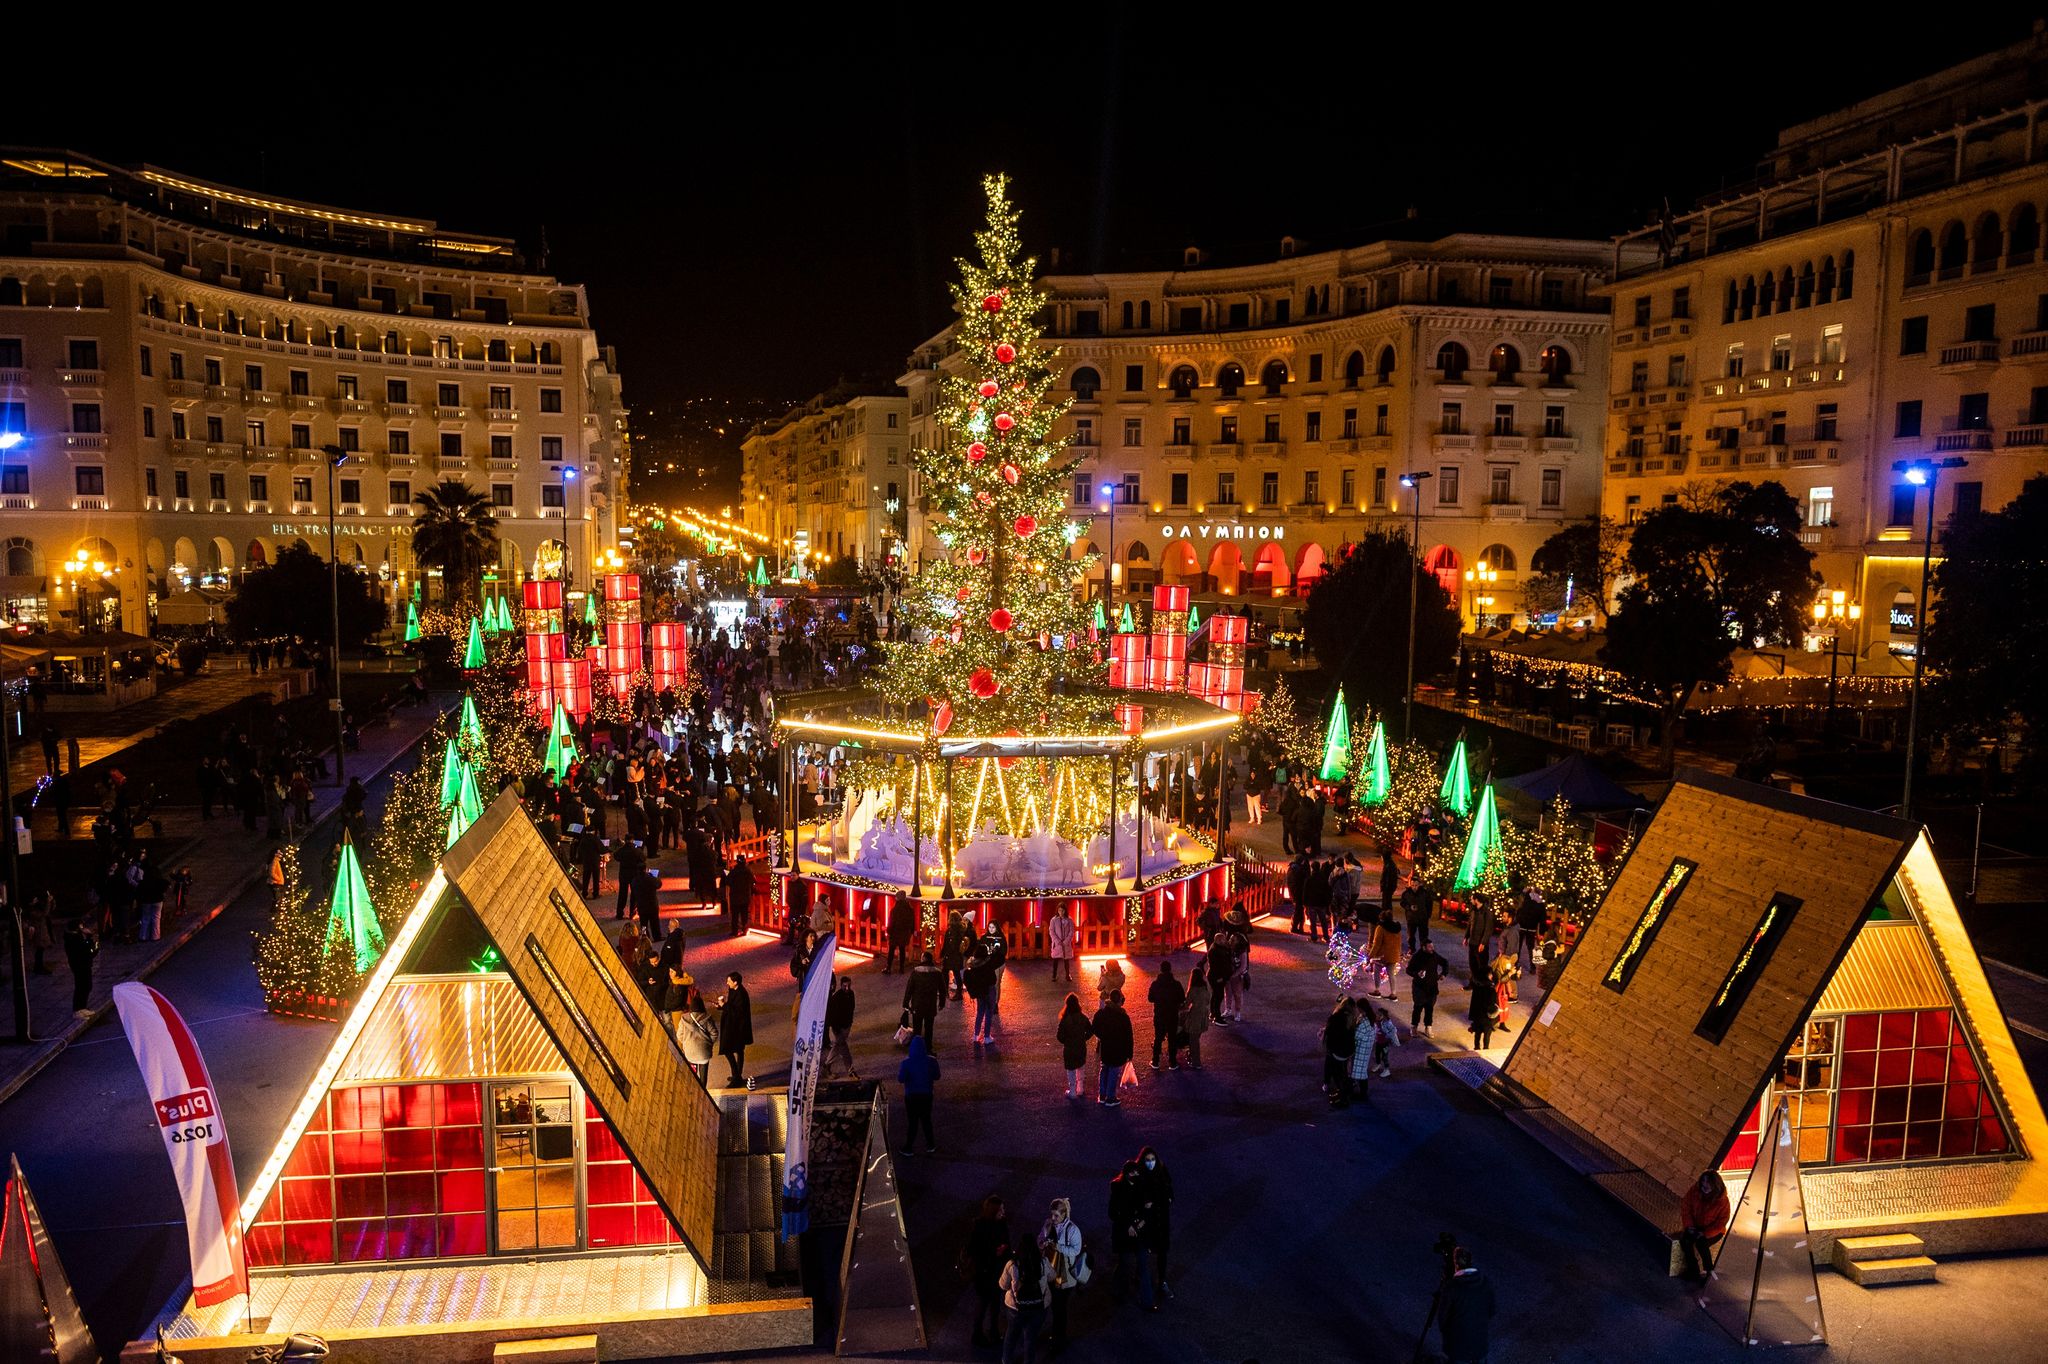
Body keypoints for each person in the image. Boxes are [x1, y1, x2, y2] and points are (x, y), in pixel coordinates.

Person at [964, 1195, 1012, 1348]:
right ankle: (977, 1334)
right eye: (1001, 1210)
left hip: (997, 1271)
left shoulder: (1001, 1223)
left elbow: (1007, 1242)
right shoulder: (979, 1226)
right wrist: (994, 1252)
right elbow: (972, 1250)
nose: (1003, 1212)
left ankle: (993, 1331)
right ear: (993, 1211)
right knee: (984, 1303)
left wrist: (1005, 1251)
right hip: (984, 1273)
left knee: (995, 1304)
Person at [1130, 1146, 1174, 1309]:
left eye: (1152, 1160)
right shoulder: (1140, 1177)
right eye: (1147, 1160)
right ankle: (1138, 1277)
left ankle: (1161, 1281)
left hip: (1161, 1221)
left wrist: (1167, 1200)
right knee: (1143, 1252)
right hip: (1147, 1222)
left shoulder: (1162, 1172)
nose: (1150, 1163)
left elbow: (1169, 1191)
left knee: (1162, 1252)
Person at [998, 1238, 1052, 1364]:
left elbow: (1003, 1285)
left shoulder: (1012, 1265)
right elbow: (1052, 1277)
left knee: (1011, 1335)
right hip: (1039, 1307)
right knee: (1030, 1338)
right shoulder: (1043, 1262)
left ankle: (1007, 1360)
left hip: (1015, 1308)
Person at [1439, 1246, 1496, 1364]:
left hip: (1458, 1349)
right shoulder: (1485, 1282)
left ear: (1456, 1264)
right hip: (1480, 1344)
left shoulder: (1451, 1288)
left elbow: (1443, 1320)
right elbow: (1492, 1310)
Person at [1041, 1198, 1084, 1347]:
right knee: (1053, 1305)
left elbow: (1076, 1250)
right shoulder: (1048, 1224)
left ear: (1064, 1214)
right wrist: (1042, 1243)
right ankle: (1056, 1333)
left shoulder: (1073, 1230)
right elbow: (1040, 1238)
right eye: (1052, 1215)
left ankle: (1059, 1337)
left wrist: (1058, 1247)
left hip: (1065, 1275)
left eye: (1056, 1216)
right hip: (1050, 1272)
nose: (1053, 1219)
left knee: (1060, 1308)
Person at [1677, 1170, 1731, 1281]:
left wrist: (1706, 1233)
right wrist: (1689, 1225)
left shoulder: (1722, 1200)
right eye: (1703, 1181)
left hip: (1713, 1230)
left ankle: (1709, 1272)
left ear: (1715, 1184)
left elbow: (1722, 1222)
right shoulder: (1695, 1191)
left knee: (1701, 1244)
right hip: (1696, 1225)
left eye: (1708, 1182)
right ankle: (1693, 1270)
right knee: (1685, 1241)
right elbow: (1685, 1207)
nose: (1704, 1185)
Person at [1091, 989, 1134, 1107]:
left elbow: (1094, 1027)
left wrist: (1102, 1036)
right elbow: (1129, 1036)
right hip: (1118, 1049)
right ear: (1120, 1001)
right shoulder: (1123, 1017)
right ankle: (1110, 1097)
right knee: (1113, 1072)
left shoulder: (1102, 1013)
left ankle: (1102, 1095)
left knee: (1104, 1069)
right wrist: (1129, 1053)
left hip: (1106, 1048)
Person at [897, 1034, 939, 1154]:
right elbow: (937, 1076)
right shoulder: (931, 1061)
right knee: (926, 1120)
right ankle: (930, 1145)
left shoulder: (906, 1063)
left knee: (912, 1122)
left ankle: (909, 1147)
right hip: (927, 1095)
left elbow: (901, 1079)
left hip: (911, 1096)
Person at [902, 949, 946, 1052]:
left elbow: (909, 989)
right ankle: (928, 1048)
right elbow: (942, 990)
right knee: (929, 1028)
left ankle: (916, 1049)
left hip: (917, 1005)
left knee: (917, 1029)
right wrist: (941, 1003)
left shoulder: (916, 972)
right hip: (930, 1006)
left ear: (923, 959)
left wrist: (905, 1003)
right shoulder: (937, 973)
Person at [1146, 960, 1184, 1072]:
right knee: (1172, 1039)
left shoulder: (1155, 984)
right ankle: (1172, 1062)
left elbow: (1150, 998)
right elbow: (1182, 998)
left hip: (1160, 1015)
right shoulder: (1176, 984)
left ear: (1161, 970)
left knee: (1158, 1038)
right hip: (1172, 1015)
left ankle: (1155, 1061)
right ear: (1170, 969)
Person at [1407, 937, 1448, 1037]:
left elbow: (1445, 962)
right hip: (1419, 987)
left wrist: (1444, 974)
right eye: (1429, 947)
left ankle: (1428, 1027)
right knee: (1418, 1008)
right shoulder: (1417, 957)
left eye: (1432, 946)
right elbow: (1408, 970)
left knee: (1429, 1008)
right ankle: (1414, 1027)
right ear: (1423, 947)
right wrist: (1417, 974)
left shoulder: (1434, 955)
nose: (1432, 949)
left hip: (1432, 987)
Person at [717, 972, 753, 1087]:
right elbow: (732, 1006)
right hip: (733, 1026)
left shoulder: (741, 994)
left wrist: (724, 1005)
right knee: (738, 1051)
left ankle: (736, 1077)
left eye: (729, 981)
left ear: (735, 982)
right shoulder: (733, 990)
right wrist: (722, 1006)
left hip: (738, 1029)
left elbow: (738, 1012)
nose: (727, 983)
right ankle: (737, 1075)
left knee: (731, 1050)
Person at [1056, 992, 1093, 1099]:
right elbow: (1090, 1030)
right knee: (1080, 1067)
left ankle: (1072, 1091)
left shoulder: (1065, 1020)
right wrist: (1083, 1038)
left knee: (1071, 1069)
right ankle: (1080, 1089)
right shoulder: (1083, 1018)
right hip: (1081, 1047)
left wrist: (1067, 1041)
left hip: (1069, 1049)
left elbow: (1059, 1036)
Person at [676, 996, 719, 1085]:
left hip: (690, 1054)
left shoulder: (684, 1019)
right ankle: (703, 1093)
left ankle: (693, 1092)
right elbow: (714, 1034)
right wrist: (709, 1044)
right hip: (704, 1054)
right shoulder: (707, 1018)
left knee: (692, 1077)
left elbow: (679, 1035)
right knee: (703, 1078)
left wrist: (686, 1043)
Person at [1323, 999, 1358, 1106]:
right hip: (1348, 1051)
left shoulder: (1335, 1018)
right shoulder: (1352, 1019)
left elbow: (1329, 1034)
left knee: (1336, 1072)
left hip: (1337, 1051)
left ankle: (1342, 1096)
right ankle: (1343, 1090)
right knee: (1342, 1070)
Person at [823, 975, 857, 1080]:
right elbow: (832, 1015)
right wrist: (836, 1029)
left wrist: (849, 1023)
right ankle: (849, 1069)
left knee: (840, 1046)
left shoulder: (851, 994)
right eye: (845, 986)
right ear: (841, 985)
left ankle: (827, 1066)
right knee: (841, 1047)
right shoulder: (837, 998)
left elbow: (852, 1008)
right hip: (838, 1027)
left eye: (849, 986)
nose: (847, 988)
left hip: (846, 1026)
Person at [1367, 906, 1403, 1000]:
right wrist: (1399, 954)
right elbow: (1399, 943)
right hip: (1394, 955)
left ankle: (1377, 990)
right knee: (1391, 974)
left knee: (1377, 971)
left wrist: (1370, 956)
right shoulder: (1397, 928)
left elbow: (1377, 944)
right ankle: (1393, 994)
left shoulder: (1380, 928)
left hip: (1381, 956)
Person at [63, 916, 97, 1016]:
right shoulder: (74, 939)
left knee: (86, 985)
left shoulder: (75, 937)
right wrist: (90, 939)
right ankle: (79, 1008)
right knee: (83, 986)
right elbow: (88, 951)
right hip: (80, 965)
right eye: (81, 926)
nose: (83, 928)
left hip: (83, 964)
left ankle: (82, 1007)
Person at [1179, 966, 1210, 1071]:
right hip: (1204, 1016)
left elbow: (1186, 1005)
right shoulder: (1205, 988)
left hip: (1195, 1017)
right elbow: (1207, 1001)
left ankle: (1196, 1062)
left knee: (1193, 1041)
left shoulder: (1193, 989)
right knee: (1196, 1038)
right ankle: (1193, 1058)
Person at [1470, 958, 1501, 1051]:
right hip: (1486, 1017)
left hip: (1477, 1015)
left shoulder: (1477, 986)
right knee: (1487, 1035)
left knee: (1477, 1033)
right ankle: (1485, 1049)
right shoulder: (1490, 989)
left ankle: (1476, 1048)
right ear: (1488, 975)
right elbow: (1492, 1003)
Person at [941, 910, 973, 999]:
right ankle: (959, 993)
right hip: (957, 956)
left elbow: (947, 944)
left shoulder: (951, 930)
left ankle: (946, 992)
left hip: (951, 955)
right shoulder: (962, 929)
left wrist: (943, 954)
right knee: (956, 973)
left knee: (945, 973)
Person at [724, 850, 755, 937]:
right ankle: (744, 930)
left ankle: (735, 931)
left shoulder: (734, 871)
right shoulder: (748, 871)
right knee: (744, 914)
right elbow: (753, 881)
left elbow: (728, 882)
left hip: (735, 896)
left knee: (735, 915)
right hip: (745, 896)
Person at [883, 893, 915, 974]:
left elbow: (891, 921)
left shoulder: (895, 909)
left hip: (895, 933)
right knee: (902, 949)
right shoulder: (909, 909)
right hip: (904, 933)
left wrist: (889, 931)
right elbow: (912, 921)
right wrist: (911, 931)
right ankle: (901, 968)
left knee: (891, 950)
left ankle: (889, 967)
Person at [1046, 902, 1076, 982]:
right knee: (1055, 960)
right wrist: (1057, 941)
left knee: (1066, 961)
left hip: (1066, 944)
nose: (1061, 913)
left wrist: (1066, 941)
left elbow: (1071, 931)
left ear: (1065, 911)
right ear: (1057, 911)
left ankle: (1067, 975)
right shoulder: (1053, 920)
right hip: (1057, 944)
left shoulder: (1069, 920)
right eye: (1059, 911)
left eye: (1062, 911)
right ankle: (1054, 975)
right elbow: (1051, 931)